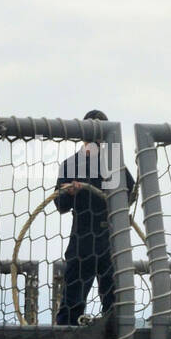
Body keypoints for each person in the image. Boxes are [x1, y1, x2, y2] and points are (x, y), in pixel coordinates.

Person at [54, 109, 136, 325]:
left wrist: (109, 195)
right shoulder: (71, 164)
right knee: (73, 304)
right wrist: (69, 193)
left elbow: (130, 194)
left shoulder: (113, 163)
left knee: (113, 306)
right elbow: (60, 205)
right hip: (84, 241)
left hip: (109, 242)